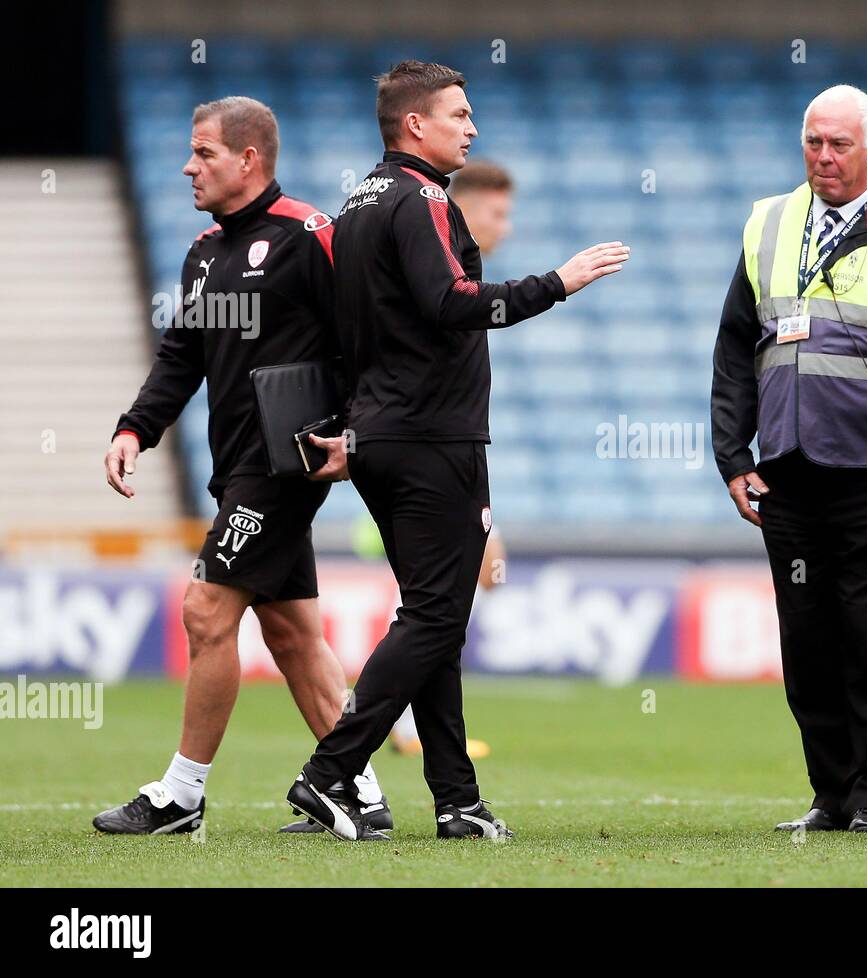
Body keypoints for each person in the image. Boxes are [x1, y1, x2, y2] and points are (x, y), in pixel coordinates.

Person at [285, 61, 629, 842]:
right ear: (416, 125)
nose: (472, 128)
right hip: (433, 438)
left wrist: (351, 422)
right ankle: (332, 770)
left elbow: (352, 333)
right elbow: (451, 303)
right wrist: (558, 282)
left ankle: (457, 802)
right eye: (459, 114)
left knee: (429, 618)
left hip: (383, 436)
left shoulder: (358, 201)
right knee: (439, 619)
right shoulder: (425, 199)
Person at [95, 96, 389, 835]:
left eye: (204, 153)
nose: (188, 167)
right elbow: (182, 356)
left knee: (205, 609)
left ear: (249, 159)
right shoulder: (204, 250)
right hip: (236, 465)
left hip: (286, 463)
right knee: (291, 633)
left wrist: (356, 435)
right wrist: (137, 427)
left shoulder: (311, 235)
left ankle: (181, 795)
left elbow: (368, 342)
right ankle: (360, 794)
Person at [711, 85, 867, 835]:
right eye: (812, 142)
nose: (823, 157)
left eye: (839, 145)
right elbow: (733, 346)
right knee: (808, 640)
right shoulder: (769, 222)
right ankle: (830, 792)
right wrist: (731, 453)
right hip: (789, 470)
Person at [386, 159, 515, 756]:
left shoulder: (452, 267)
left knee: (431, 603)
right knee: (435, 606)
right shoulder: (442, 278)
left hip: (418, 449)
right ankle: (350, 747)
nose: (505, 226)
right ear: (463, 208)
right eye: (498, 212)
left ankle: (418, 745)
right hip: (422, 454)